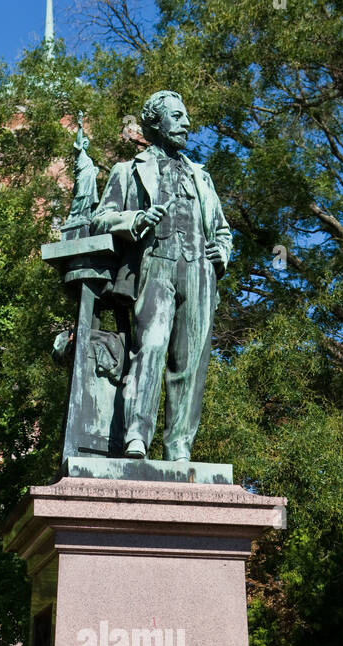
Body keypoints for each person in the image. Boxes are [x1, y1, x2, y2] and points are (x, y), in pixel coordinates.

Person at [92, 90, 232, 463]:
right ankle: (136, 436)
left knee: (190, 361)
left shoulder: (201, 176)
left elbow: (222, 229)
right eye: (177, 116)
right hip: (155, 264)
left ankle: (179, 448)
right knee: (150, 346)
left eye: (186, 116)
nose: (186, 123)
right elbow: (100, 218)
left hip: (199, 270)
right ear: (155, 123)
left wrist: (222, 251)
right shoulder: (128, 170)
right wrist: (136, 219)